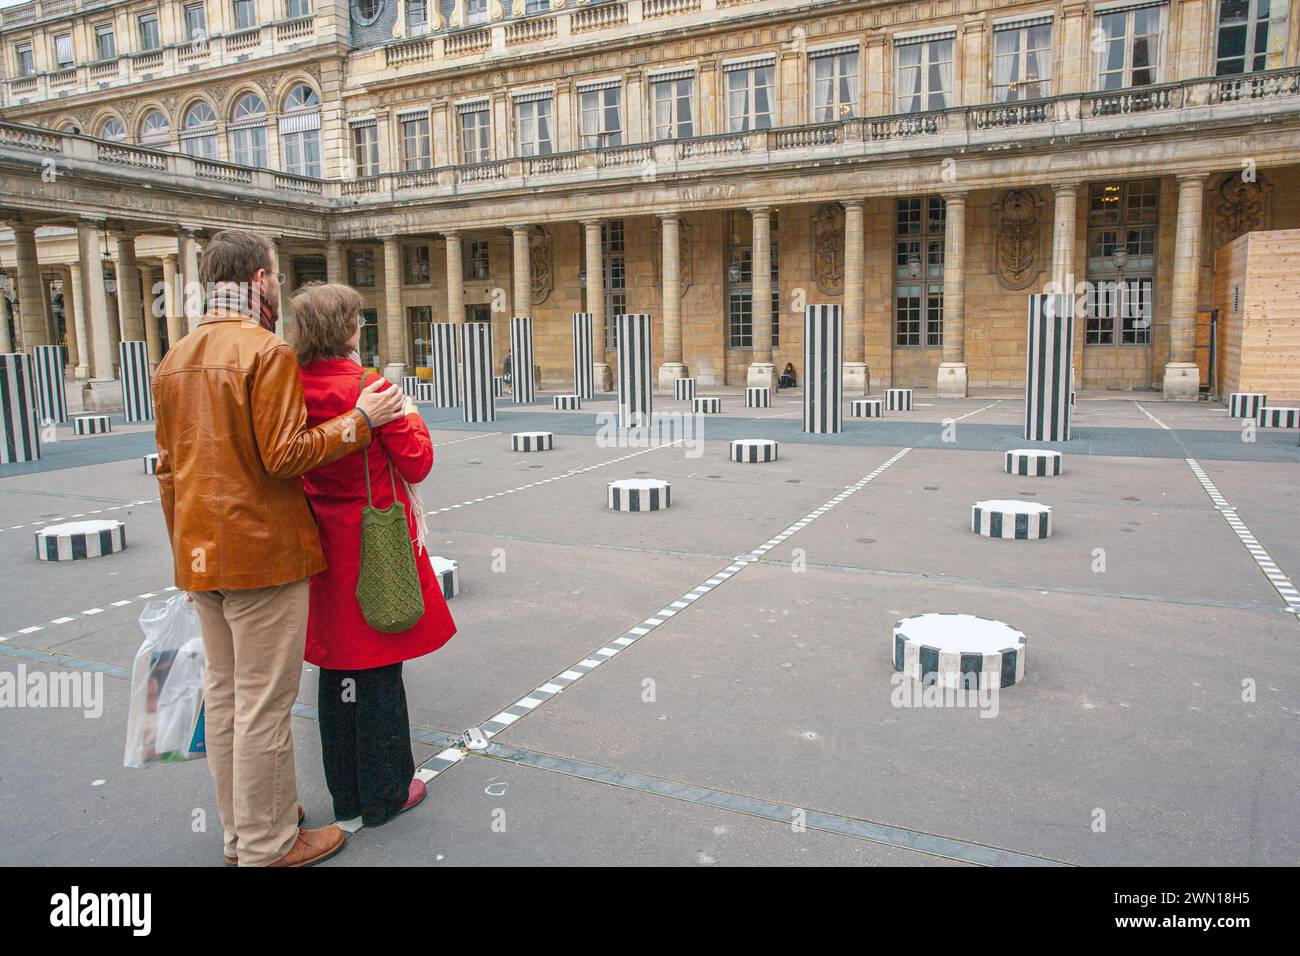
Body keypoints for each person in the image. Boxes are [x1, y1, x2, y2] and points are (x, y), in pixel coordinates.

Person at [152, 231, 405, 867]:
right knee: (266, 706)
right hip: (264, 556)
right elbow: (286, 455)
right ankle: (269, 844)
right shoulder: (266, 354)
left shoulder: (175, 357)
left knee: (230, 701)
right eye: (275, 277)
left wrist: (186, 550)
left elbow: (167, 470)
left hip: (202, 556)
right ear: (261, 279)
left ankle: (246, 831)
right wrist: (361, 421)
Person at [288, 283, 456, 829]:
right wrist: (410, 411)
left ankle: (347, 793)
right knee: (380, 667)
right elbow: (418, 463)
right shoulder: (369, 387)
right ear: (348, 329)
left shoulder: (287, 385)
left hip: (316, 541)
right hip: (373, 540)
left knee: (336, 668)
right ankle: (386, 792)